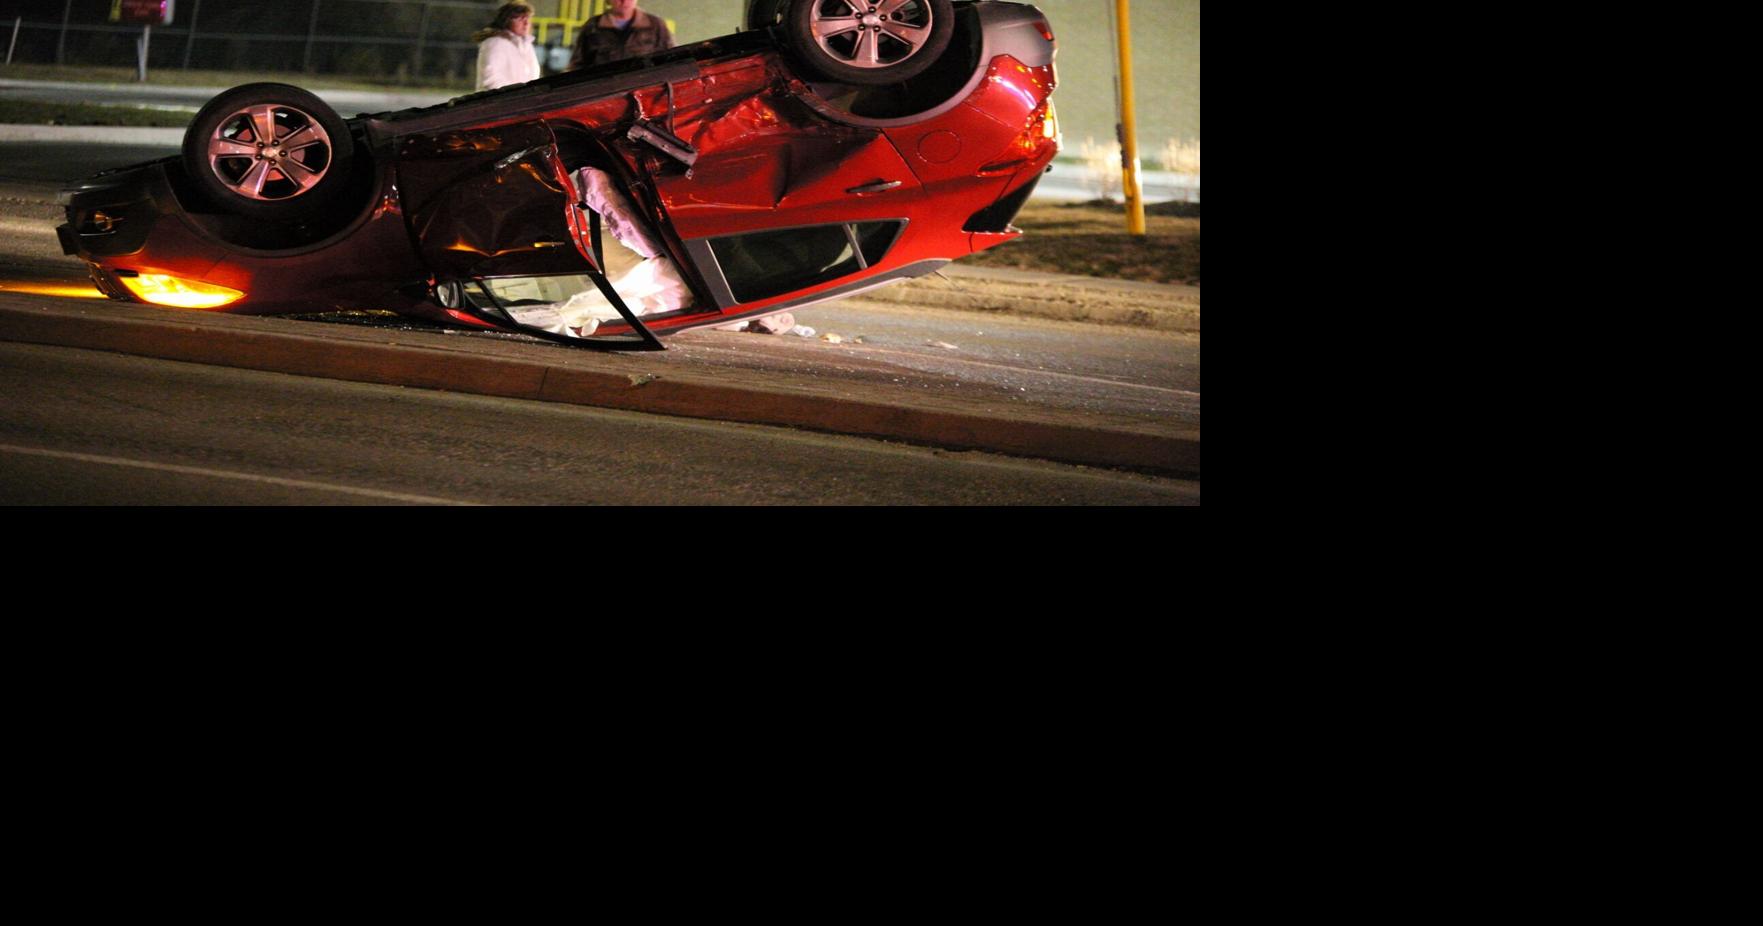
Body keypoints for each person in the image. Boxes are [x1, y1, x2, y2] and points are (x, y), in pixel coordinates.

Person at [568, 0, 674, 70]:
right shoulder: (593, 26)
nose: (624, 1)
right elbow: (577, 65)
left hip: (644, 90)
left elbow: (671, 59)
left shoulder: (655, 24)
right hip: (603, 92)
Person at [473, 2, 541, 91]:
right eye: (520, 19)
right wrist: (515, 97)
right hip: (501, 102)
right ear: (506, 20)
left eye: (528, 18)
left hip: (522, 101)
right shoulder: (495, 43)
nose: (526, 23)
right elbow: (491, 80)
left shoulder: (527, 45)